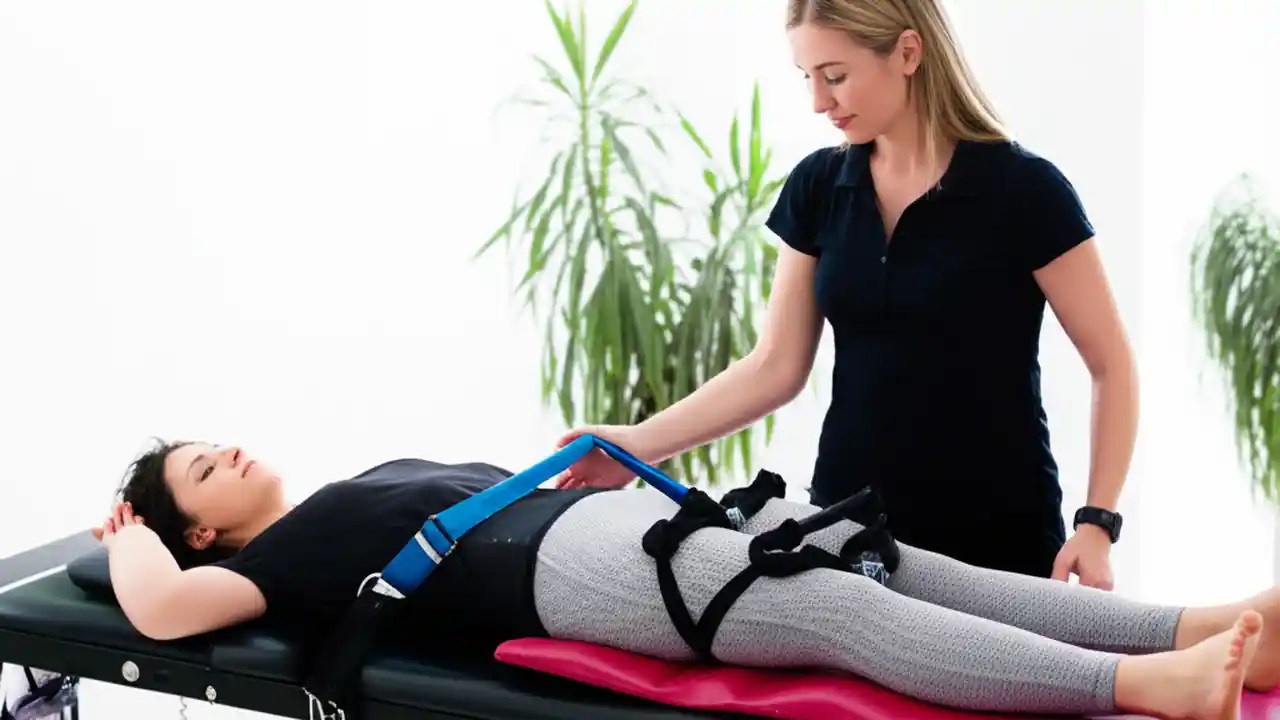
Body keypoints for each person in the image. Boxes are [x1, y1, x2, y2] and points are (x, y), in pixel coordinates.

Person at [555, 0, 1137, 589]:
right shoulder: (819, 187)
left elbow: (1111, 365)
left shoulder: (1027, 191)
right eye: (808, 79)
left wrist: (1096, 524)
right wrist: (635, 445)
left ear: (908, 52)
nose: (818, 101)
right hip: (845, 536)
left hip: (997, 546)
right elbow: (773, 366)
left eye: (835, 76)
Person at [92, 438, 1278, 720]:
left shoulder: (355, 478)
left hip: (608, 523)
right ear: (197, 530)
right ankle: (1144, 686)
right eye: (202, 468)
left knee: (894, 560)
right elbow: (162, 613)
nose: (230, 450)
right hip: (571, 582)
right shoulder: (285, 557)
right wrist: (124, 533)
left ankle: (1205, 623)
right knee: (837, 607)